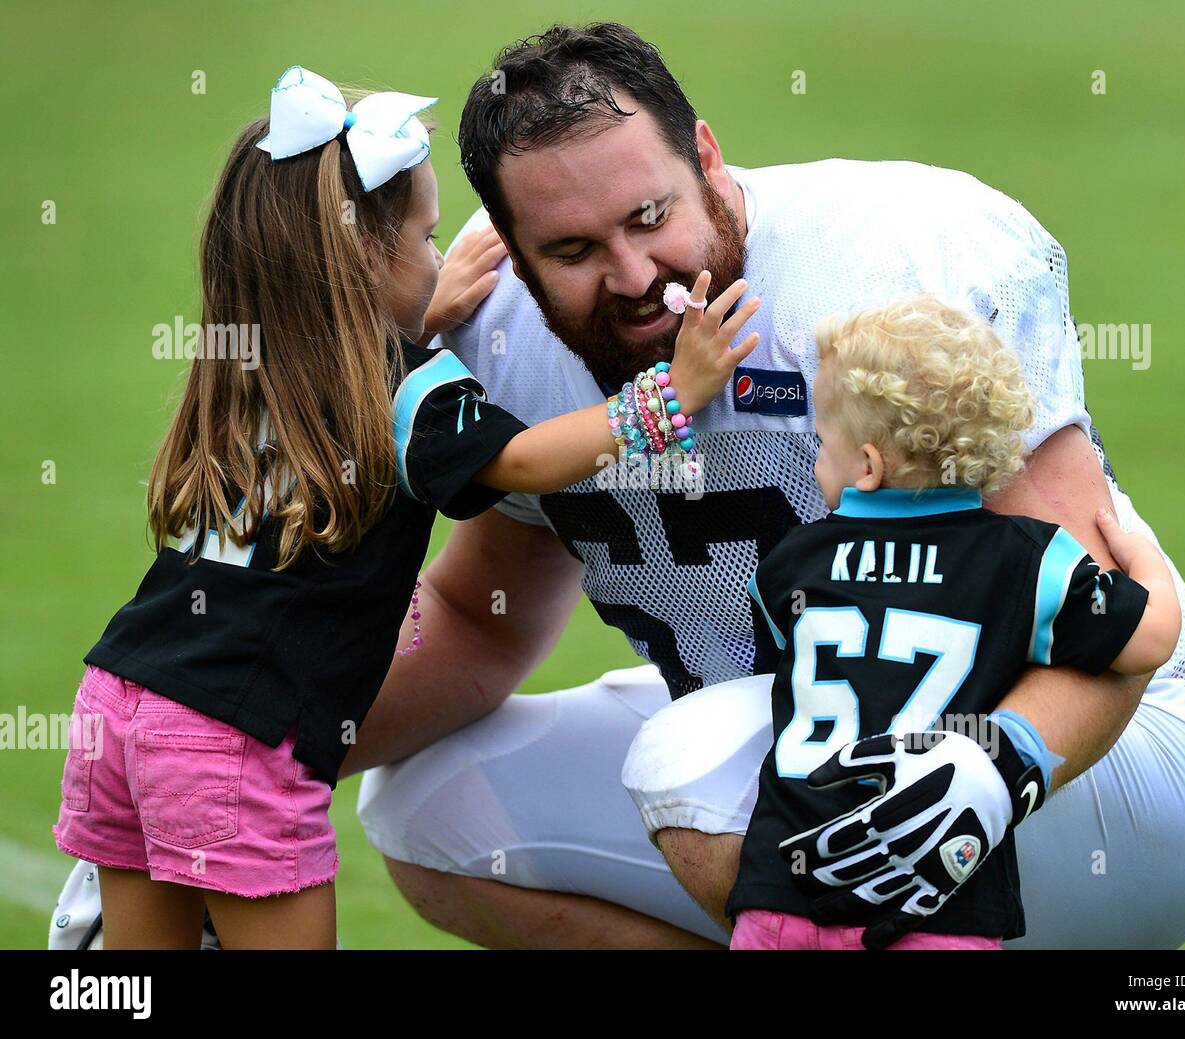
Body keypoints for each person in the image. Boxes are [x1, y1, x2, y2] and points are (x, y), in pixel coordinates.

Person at [51, 22, 1185, 950]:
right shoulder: (501, 336)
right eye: (572, 251)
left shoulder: (887, 260)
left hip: (1091, 771)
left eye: (650, 216)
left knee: (693, 753)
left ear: (709, 158)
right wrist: (208, 777)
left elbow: (1092, 613)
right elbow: (478, 620)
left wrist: (995, 764)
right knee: (433, 813)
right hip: (788, 758)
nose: (631, 274)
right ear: (512, 252)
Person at [48, 64, 756, 949]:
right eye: (425, 241)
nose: (440, 257)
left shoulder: (254, 368)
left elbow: (367, 375)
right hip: (232, 745)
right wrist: (666, 398)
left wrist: (418, 310)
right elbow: (525, 459)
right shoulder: (414, 395)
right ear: (358, 260)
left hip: (117, 702)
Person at [726, 295, 1181, 951]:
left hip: (783, 889)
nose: (817, 459)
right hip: (936, 896)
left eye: (823, 442)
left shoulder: (791, 565)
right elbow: (1149, 642)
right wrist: (1149, 564)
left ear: (868, 465)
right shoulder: (1028, 558)